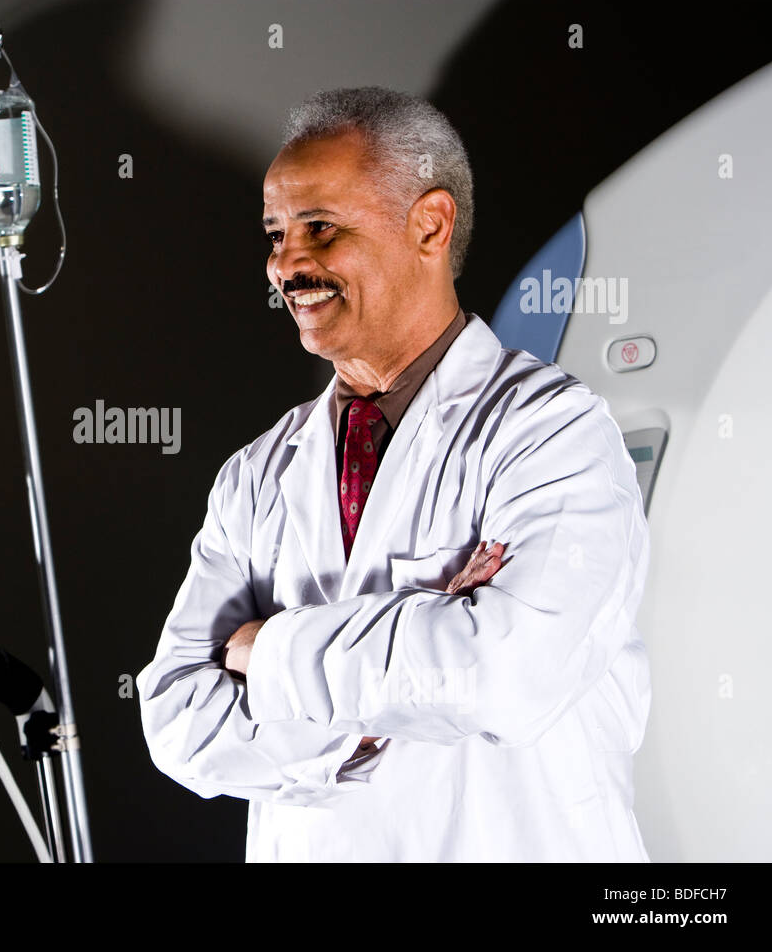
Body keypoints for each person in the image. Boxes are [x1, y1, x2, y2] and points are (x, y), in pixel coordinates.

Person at [137, 87, 652, 862]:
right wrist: (407, 665)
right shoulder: (255, 476)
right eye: (275, 234)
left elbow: (503, 677)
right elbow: (176, 718)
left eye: (320, 228)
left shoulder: (550, 433)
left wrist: (269, 654)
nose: (286, 264)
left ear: (430, 225)